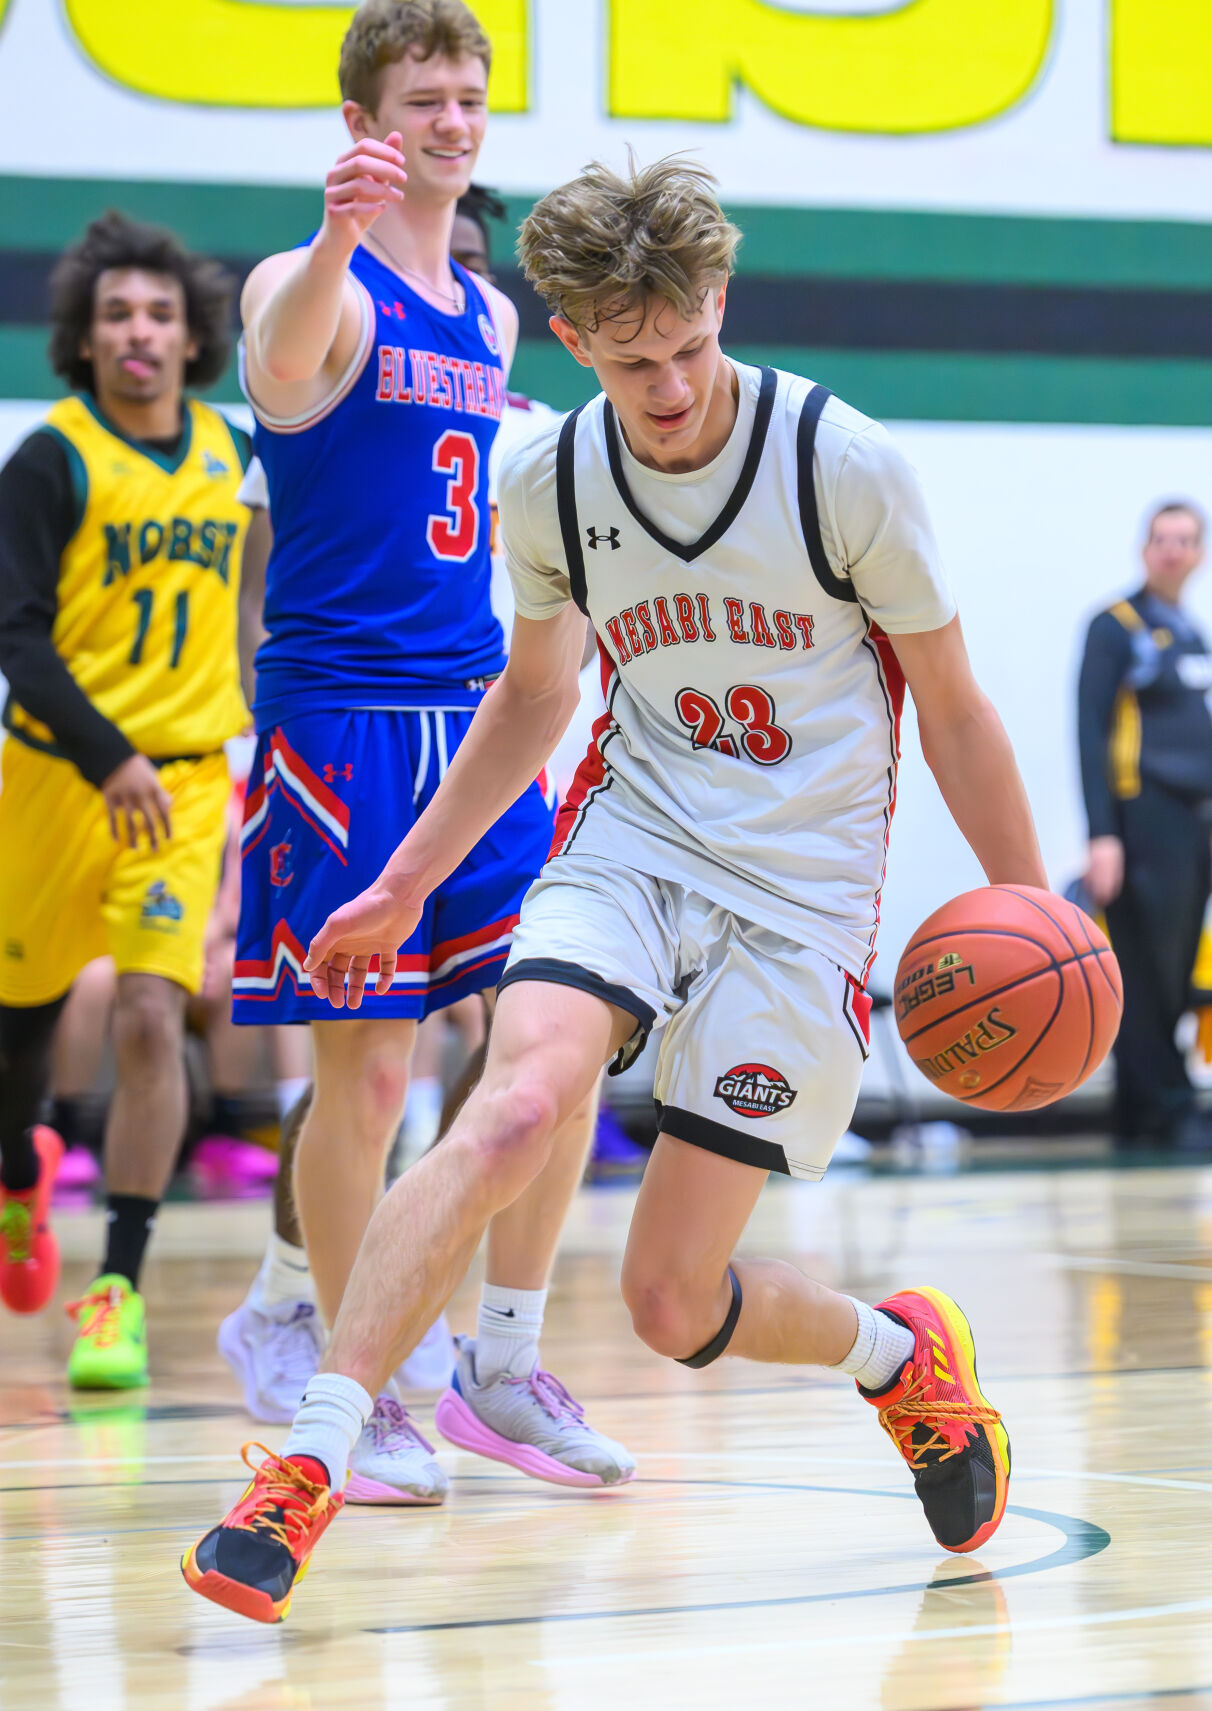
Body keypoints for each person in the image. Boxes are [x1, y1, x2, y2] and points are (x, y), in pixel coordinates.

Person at [183, 156, 1047, 1623]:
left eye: (689, 349)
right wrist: (401, 884)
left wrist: (1036, 906)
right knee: (512, 1105)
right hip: (634, 836)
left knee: (671, 1300)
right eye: (631, 359)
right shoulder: (554, 476)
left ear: (722, 303)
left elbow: (955, 705)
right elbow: (532, 699)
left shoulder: (839, 462)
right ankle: (311, 1461)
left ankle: (900, 1356)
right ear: (574, 339)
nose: (667, 388)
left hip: (805, 882)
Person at [216, 0, 631, 1503]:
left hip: (479, 724)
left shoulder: (489, 308)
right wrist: (335, 242)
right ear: (364, 121)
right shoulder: (302, 278)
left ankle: (498, 1363)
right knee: (371, 1071)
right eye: (421, 98)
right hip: (339, 719)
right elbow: (279, 369)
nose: (452, 119)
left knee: (560, 1046)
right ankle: (352, 1370)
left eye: (469, 94)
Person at [0, 211, 264, 1385]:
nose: (140, 331)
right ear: (87, 338)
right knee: (17, 1032)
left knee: (153, 1014)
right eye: (117, 315)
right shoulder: (50, 458)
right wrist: (108, 752)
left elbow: (269, 610)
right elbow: (16, 634)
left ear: (192, 332)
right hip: (58, 777)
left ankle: (118, 1287)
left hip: (188, 781)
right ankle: (19, 1172)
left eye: (159, 312)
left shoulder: (235, 453)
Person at [1078, 501, 1212, 1150]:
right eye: (1162, 537)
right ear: (1144, 547)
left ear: (1200, 552)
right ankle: (1167, 1105)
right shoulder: (1116, 626)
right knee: (1147, 969)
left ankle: (1143, 1111)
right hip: (1142, 820)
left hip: (1195, 823)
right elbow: (1090, 729)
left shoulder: (1190, 631)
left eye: (1185, 540)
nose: (1172, 549)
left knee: (1178, 967)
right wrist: (1102, 832)